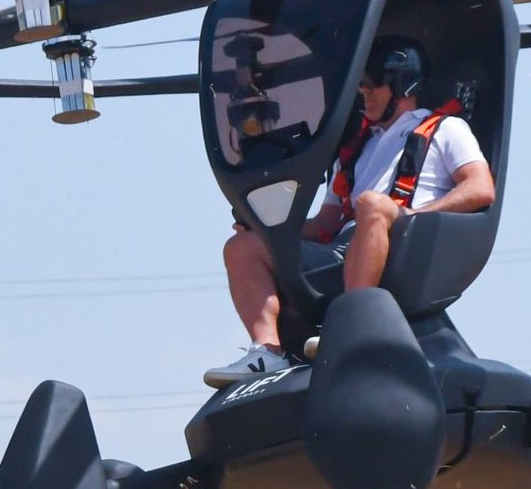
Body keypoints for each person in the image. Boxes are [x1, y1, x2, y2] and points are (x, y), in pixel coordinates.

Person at [208, 37, 496, 387]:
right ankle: (267, 351)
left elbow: (480, 188)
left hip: (403, 242)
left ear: (403, 85)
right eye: (361, 85)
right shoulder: (359, 147)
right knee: (242, 247)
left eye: (373, 85)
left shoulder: (446, 129)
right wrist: (263, 229)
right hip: (346, 246)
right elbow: (325, 224)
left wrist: (411, 214)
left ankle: (350, 325)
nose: (364, 93)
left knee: (372, 204)